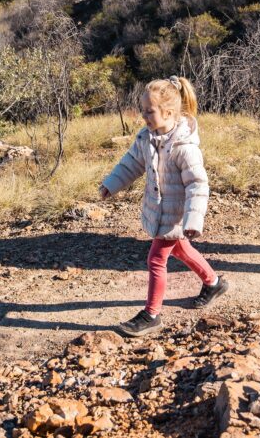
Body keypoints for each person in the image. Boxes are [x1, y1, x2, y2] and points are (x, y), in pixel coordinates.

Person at [99, 75, 229, 336]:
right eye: (143, 110)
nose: (143, 115)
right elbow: (131, 163)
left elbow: (197, 185)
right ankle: (213, 282)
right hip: (159, 208)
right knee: (181, 249)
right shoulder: (147, 137)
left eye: (149, 111)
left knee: (156, 259)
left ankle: (151, 314)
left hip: (176, 214)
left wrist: (193, 221)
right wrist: (111, 184)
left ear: (168, 112)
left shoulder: (184, 148)